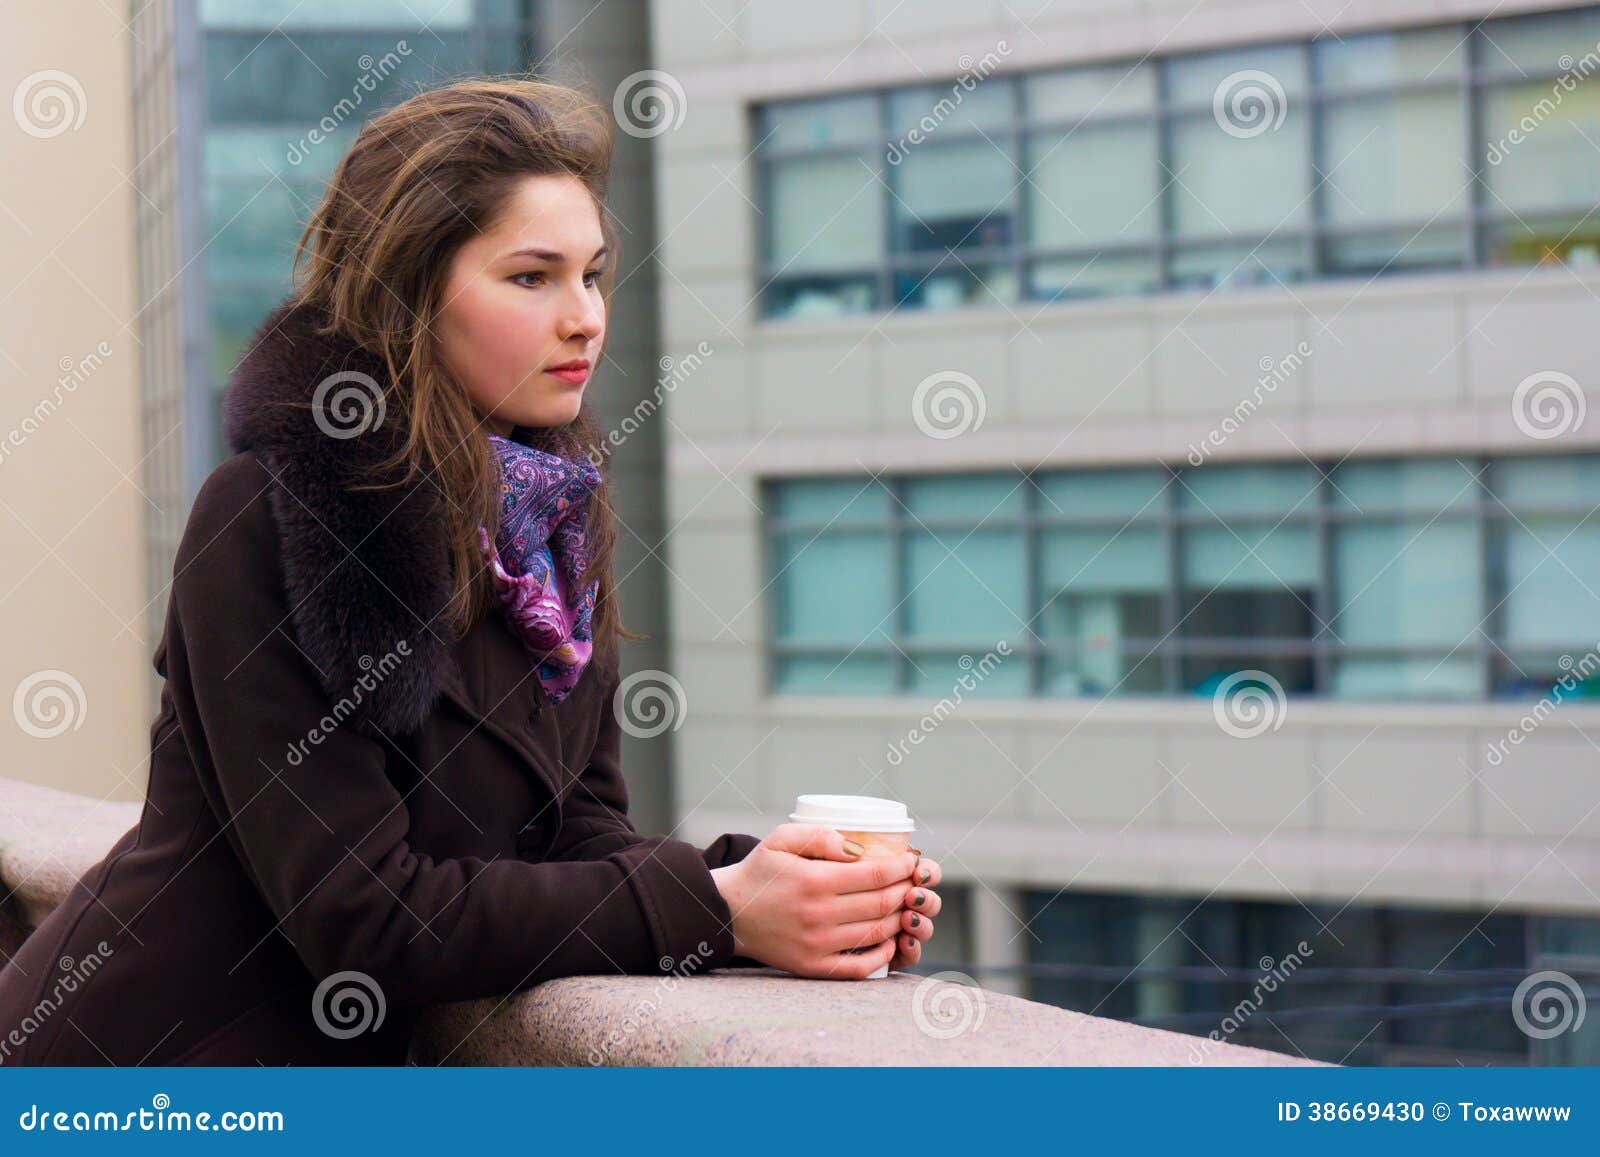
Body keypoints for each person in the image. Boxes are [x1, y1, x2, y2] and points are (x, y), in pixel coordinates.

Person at [0, 77, 942, 1066]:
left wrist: (787, 889)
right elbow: (360, 913)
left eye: (593, 275)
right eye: (532, 277)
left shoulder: (548, 520)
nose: (584, 317)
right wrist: (719, 909)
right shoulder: (270, 513)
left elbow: (575, 831)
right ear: (412, 293)